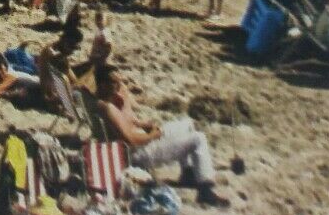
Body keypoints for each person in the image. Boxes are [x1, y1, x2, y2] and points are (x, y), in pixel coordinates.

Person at [95, 68, 229, 206]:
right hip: (138, 154)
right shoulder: (108, 108)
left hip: (140, 143)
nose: (119, 86)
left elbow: (128, 122)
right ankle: (205, 191)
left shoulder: (109, 101)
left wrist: (144, 124)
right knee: (198, 138)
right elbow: (130, 140)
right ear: (103, 85)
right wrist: (153, 135)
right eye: (114, 83)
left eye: (119, 82)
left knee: (187, 124)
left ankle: (188, 174)